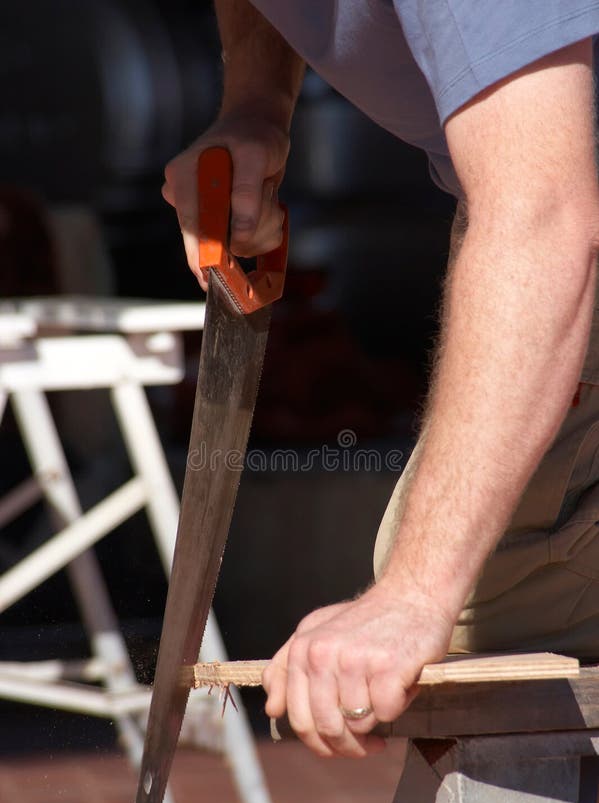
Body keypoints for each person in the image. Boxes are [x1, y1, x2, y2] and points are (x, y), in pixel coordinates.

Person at [163, 2, 599, 759]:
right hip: (548, 199)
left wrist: (412, 597)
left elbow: (545, 217)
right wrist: (257, 104)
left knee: (487, 622)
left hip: (555, 209)